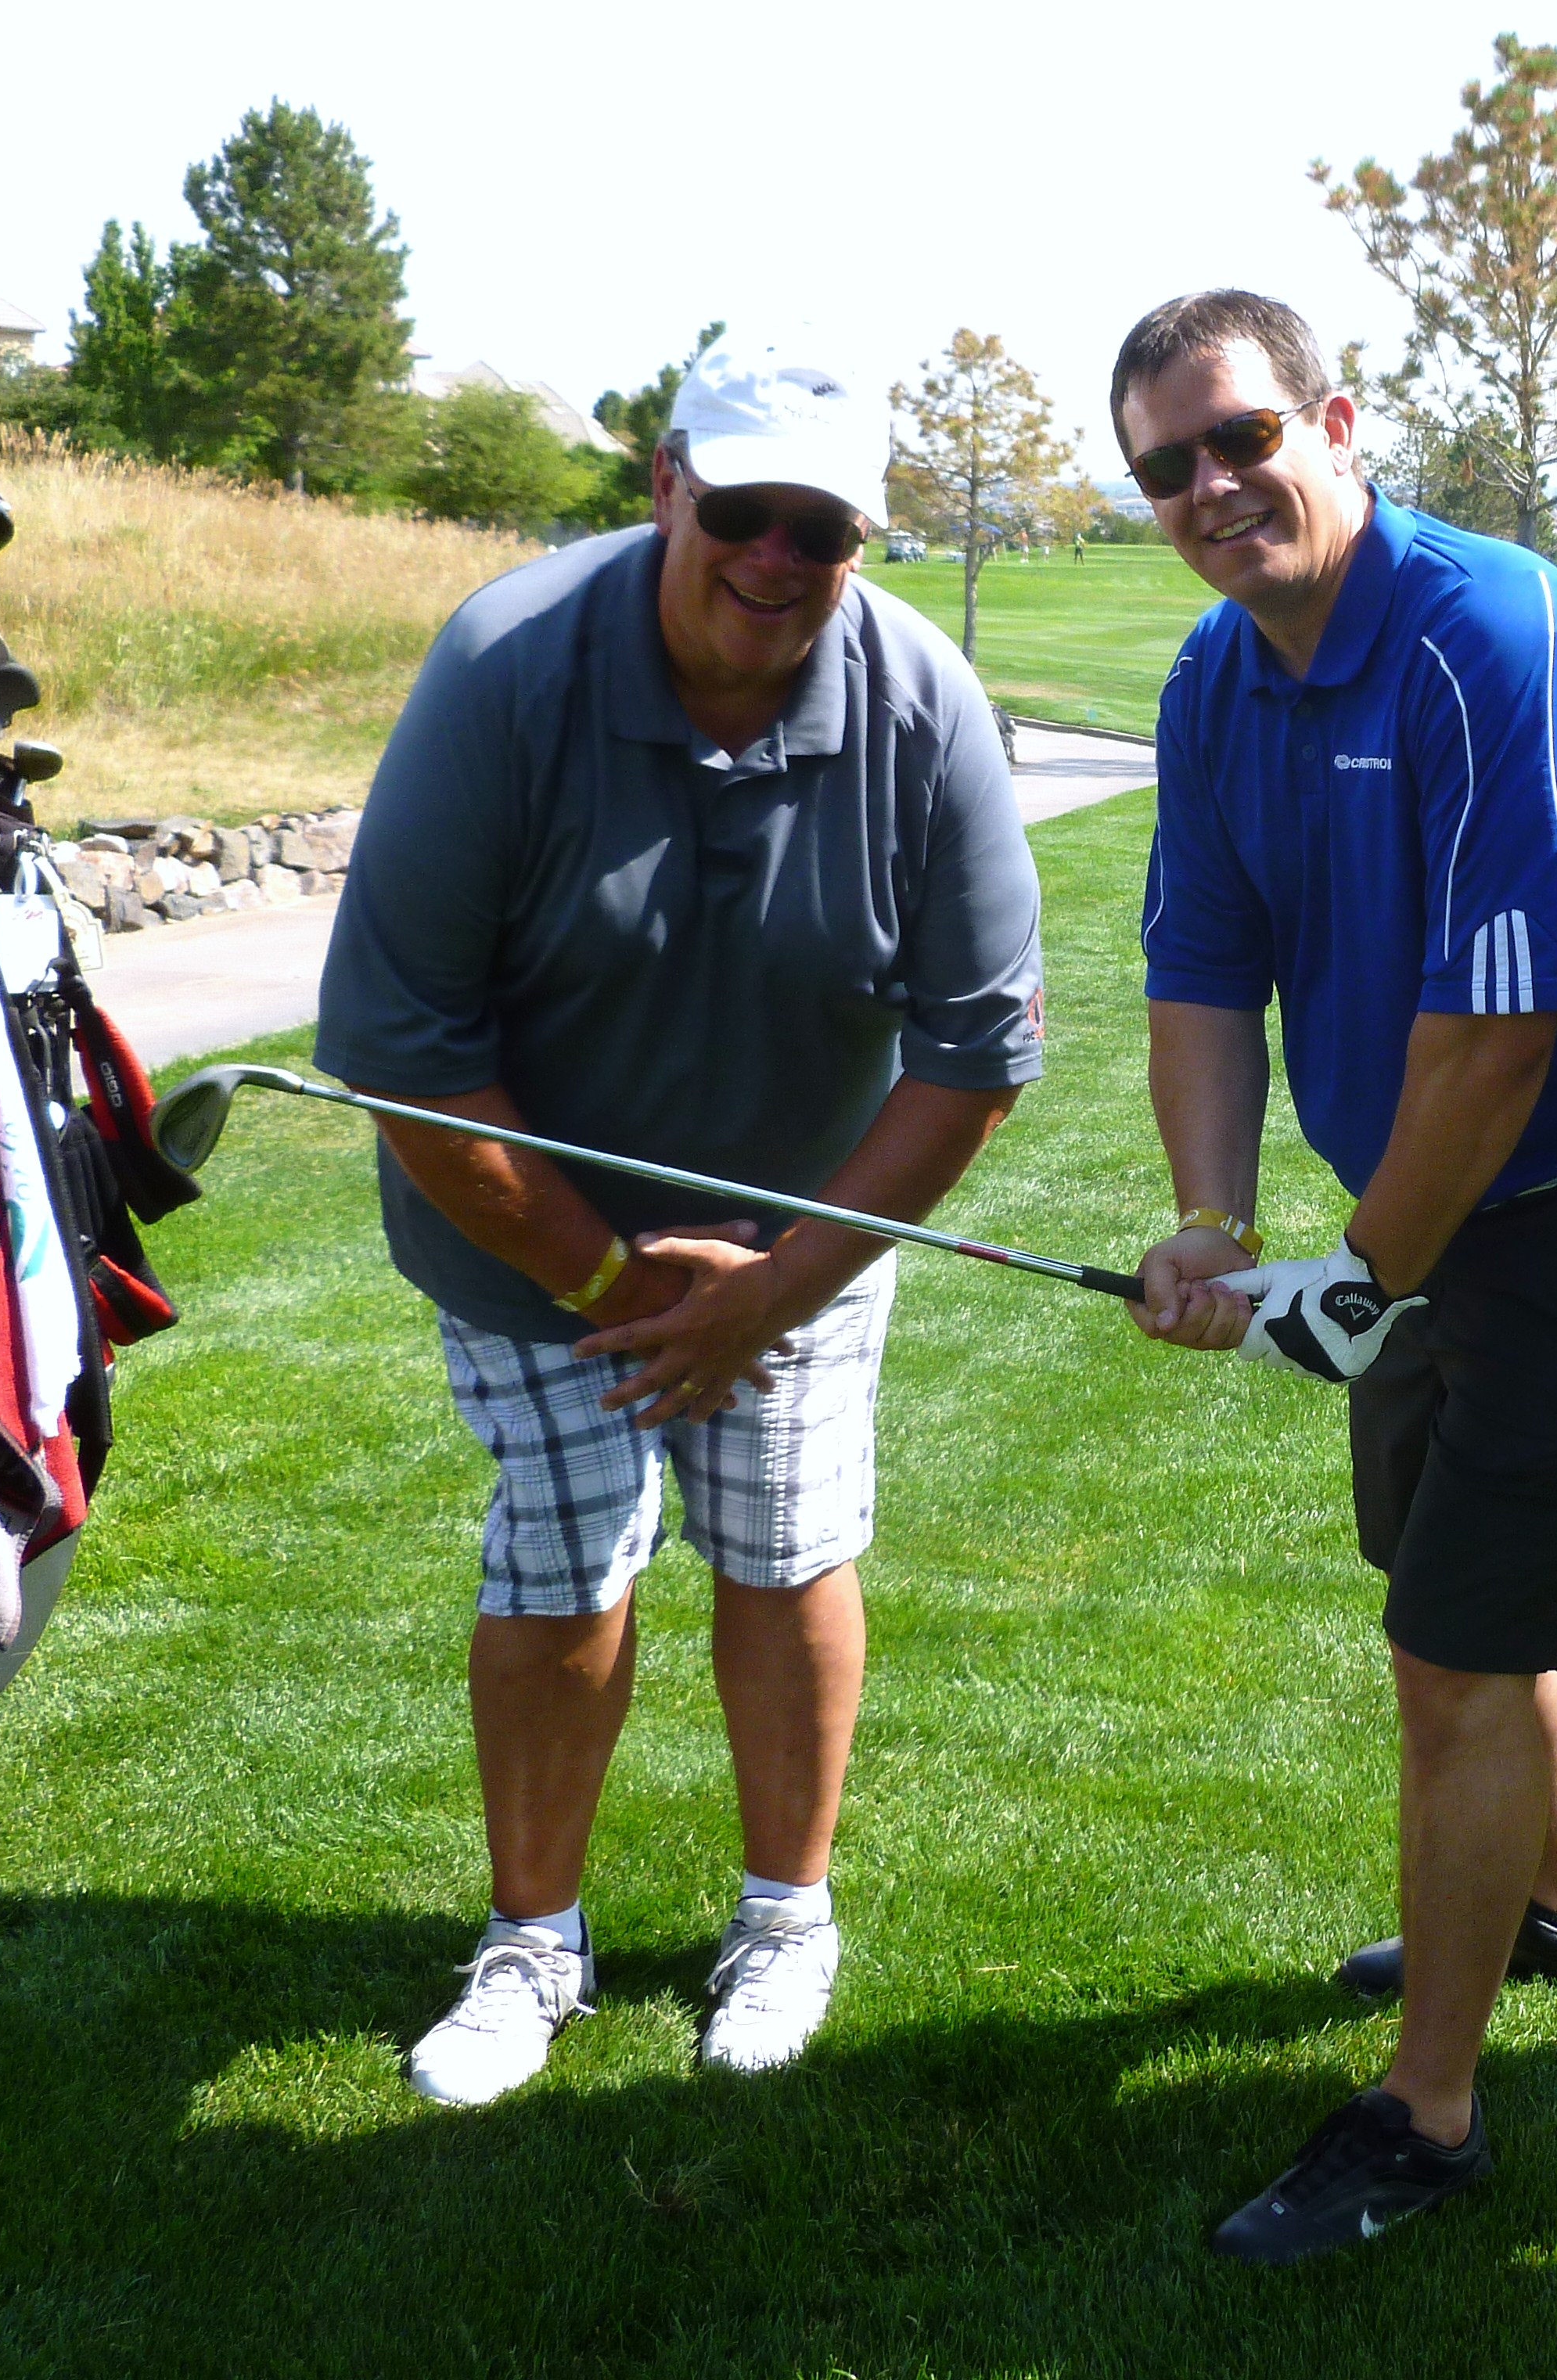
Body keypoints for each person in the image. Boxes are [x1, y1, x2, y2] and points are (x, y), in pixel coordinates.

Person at [315, 333, 1045, 2108]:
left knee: (787, 1542)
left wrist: (776, 1285)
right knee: (565, 1545)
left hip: (800, 1231)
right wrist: (609, 1277)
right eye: (743, 512)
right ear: (665, 484)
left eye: (825, 530)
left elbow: (974, 1050)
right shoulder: (505, 669)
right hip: (522, 1225)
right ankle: (531, 1942)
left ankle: (787, 1918)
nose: (778, 561)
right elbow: (412, 1060)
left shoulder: (925, 699)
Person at [1114, 289, 1557, 2260]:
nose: (1214, 490)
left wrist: (1358, 1276)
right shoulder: (1217, 680)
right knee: (1442, 1593)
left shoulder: (1497, 632)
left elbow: (1503, 1039)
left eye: (1240, 439)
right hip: (1422, 1223)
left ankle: (1433, 2118)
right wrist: (1218, 1227)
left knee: (1458, 1656)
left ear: (1336, 418)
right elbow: (1203, 973)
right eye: (1167, 470)